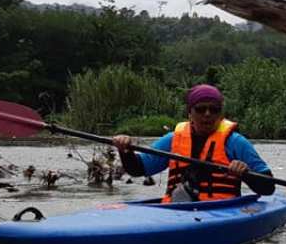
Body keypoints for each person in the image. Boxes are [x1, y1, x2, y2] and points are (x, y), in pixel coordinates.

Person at [112, 84, 275, 203]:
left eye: (214, 109)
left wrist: (245, 174)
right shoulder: (172, 139)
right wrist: (125, 150)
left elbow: (268, 187)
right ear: (190, 113)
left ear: (221, 114)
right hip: (178, 211)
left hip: (220, 212)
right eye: (200, 109)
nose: (207, 114)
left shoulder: (236, 143)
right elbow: (138, 169)